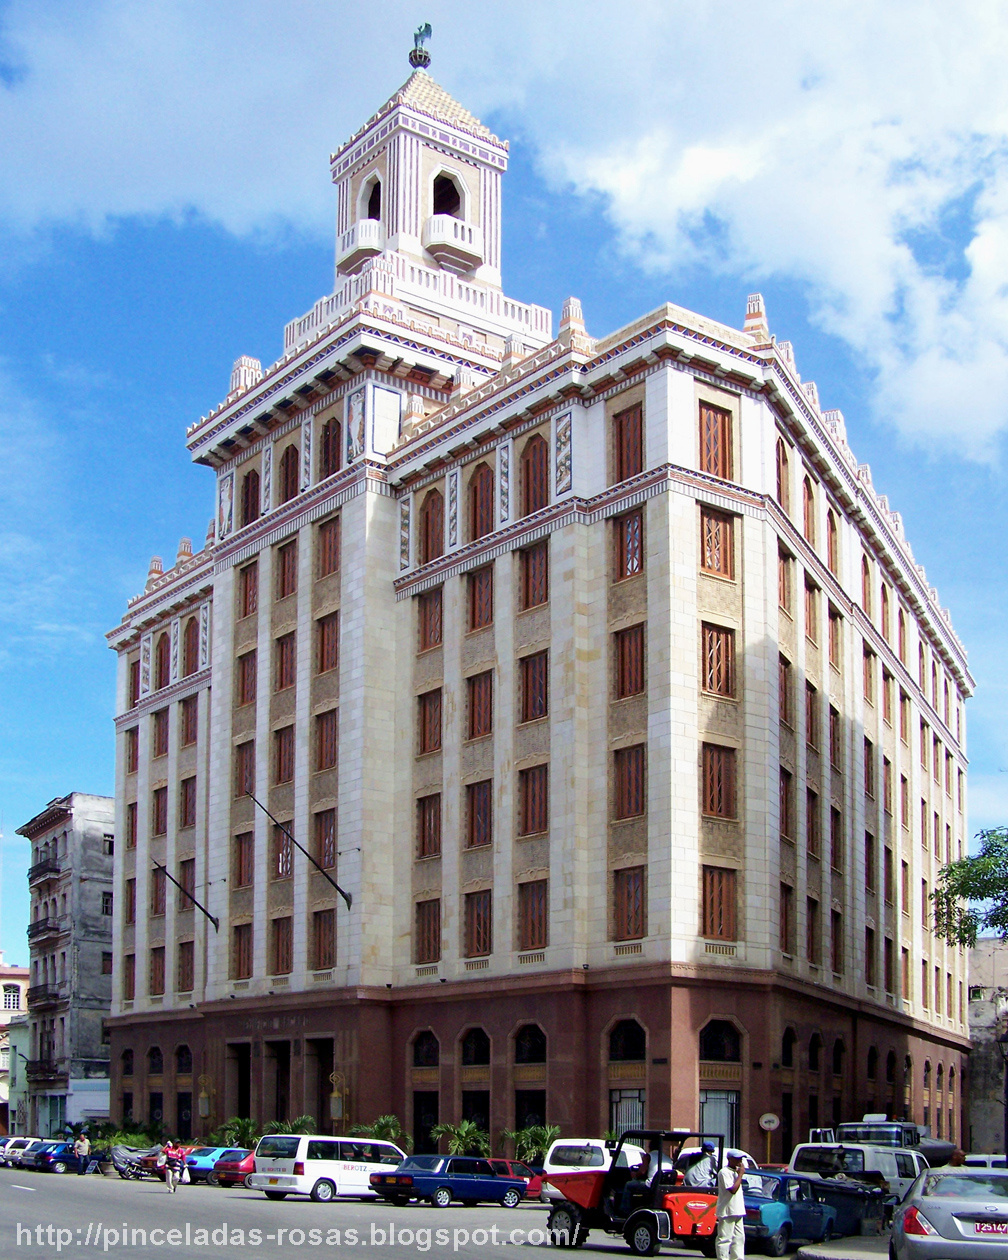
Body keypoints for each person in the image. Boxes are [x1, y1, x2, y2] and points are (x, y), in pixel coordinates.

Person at [715, 1151, 747, 1260]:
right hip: (727, 1211)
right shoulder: (724, 1172)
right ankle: (723, 1258)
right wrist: (741, 1175)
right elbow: (732, 1190)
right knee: (725, 1238)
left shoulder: (736, 1172)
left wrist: (739, 1174)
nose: (740, 1161)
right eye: (737, 1159)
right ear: (729, 1159)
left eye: (741, 1159)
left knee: (739, 1238)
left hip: (738, 1210)